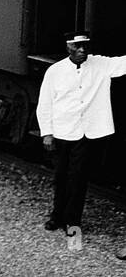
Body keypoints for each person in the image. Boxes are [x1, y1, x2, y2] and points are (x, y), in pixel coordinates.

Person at [36, 32, 126, 238]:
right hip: (62, 131)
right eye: (77, 47)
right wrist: (47, 133)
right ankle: (56, 216)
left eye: (85, 46)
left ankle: (73, 223)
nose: (82, 50)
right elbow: (45, 103)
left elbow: (123, 63)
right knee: (60, 176)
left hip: (86, 134)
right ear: (68, 48)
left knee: (78, 178)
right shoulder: (55, 71)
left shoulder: (101, 65)